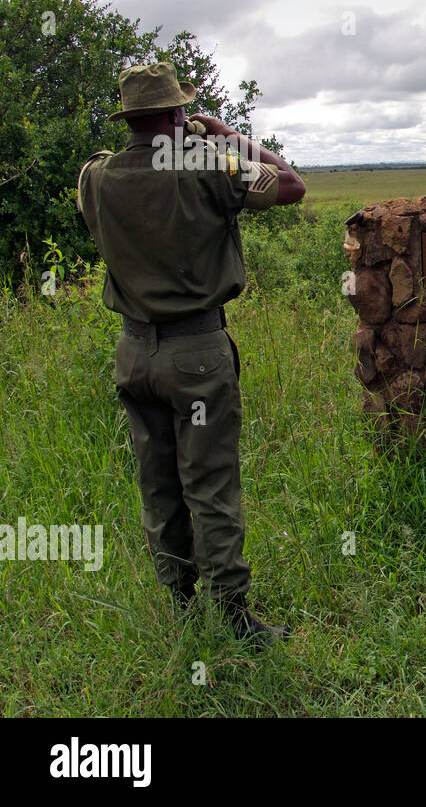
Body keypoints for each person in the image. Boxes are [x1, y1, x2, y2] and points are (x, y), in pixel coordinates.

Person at [77, 61, 306, 648]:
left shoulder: (96, 177)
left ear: (129, 119)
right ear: (178, 115)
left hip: (133, 352)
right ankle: (232, 615)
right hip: (196, 351)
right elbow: (291, 184)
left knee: (158, 484)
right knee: (210, 483)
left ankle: (178, 603)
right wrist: (227, 136)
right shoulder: (206, 168)